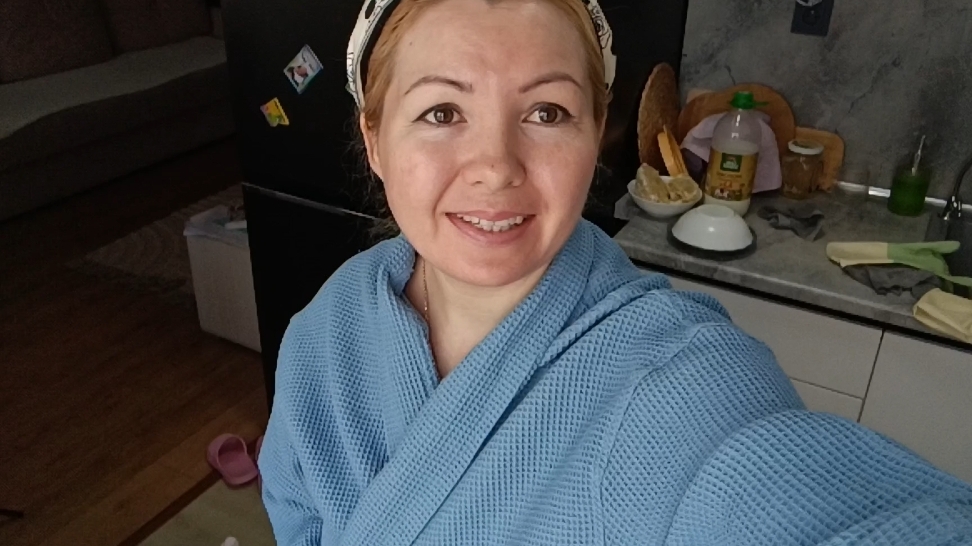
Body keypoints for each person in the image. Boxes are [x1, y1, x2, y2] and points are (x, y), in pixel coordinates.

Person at [258, 0, 972, 543]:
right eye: (442, 111)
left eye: (546, 111)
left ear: (596, 134)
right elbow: (297, 513)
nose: (496, 167)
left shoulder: (675, 384)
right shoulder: (330, 324)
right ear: (375, 140)